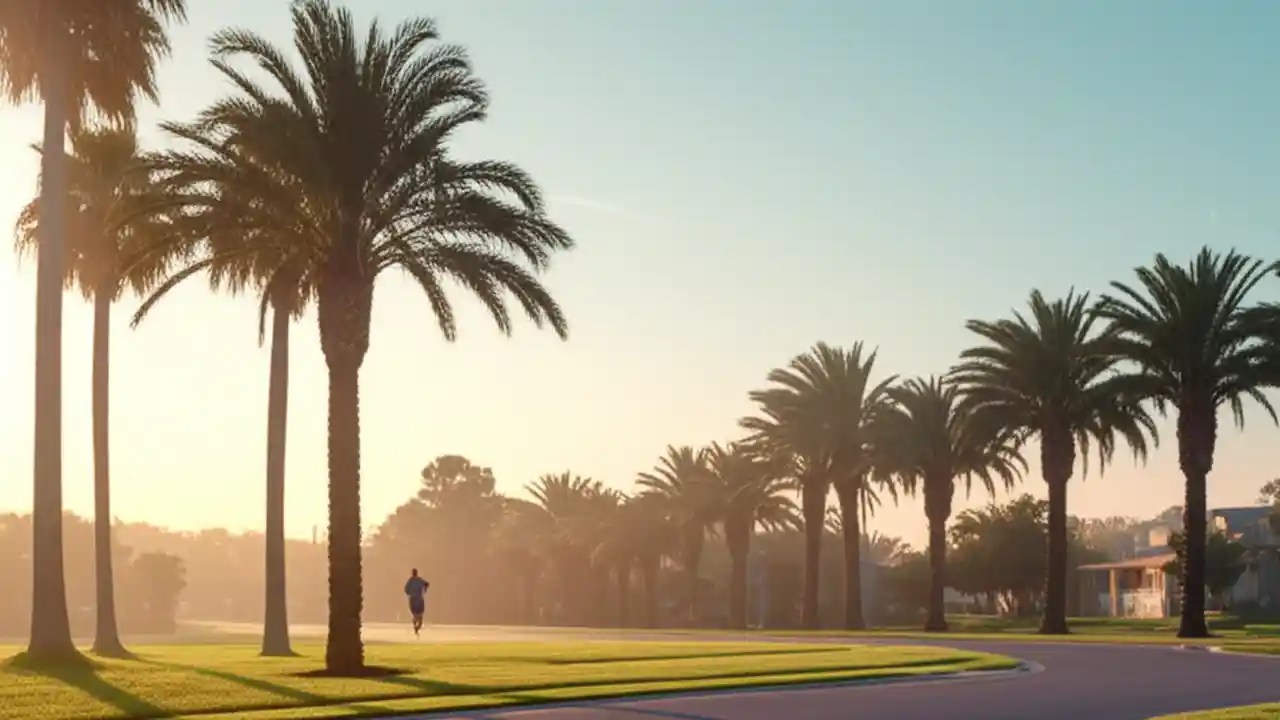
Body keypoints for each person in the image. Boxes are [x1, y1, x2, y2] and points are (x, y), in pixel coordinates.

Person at [404, 568, 430, 637]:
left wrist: (410, 593)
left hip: (416, 599)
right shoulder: (416, 580)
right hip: (417, 599)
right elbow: (427, 584)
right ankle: (416, 625)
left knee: (418, 617)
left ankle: (416, 627)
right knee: (418, 616)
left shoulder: (412, 580)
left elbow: (406, 590)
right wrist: (425, 590)